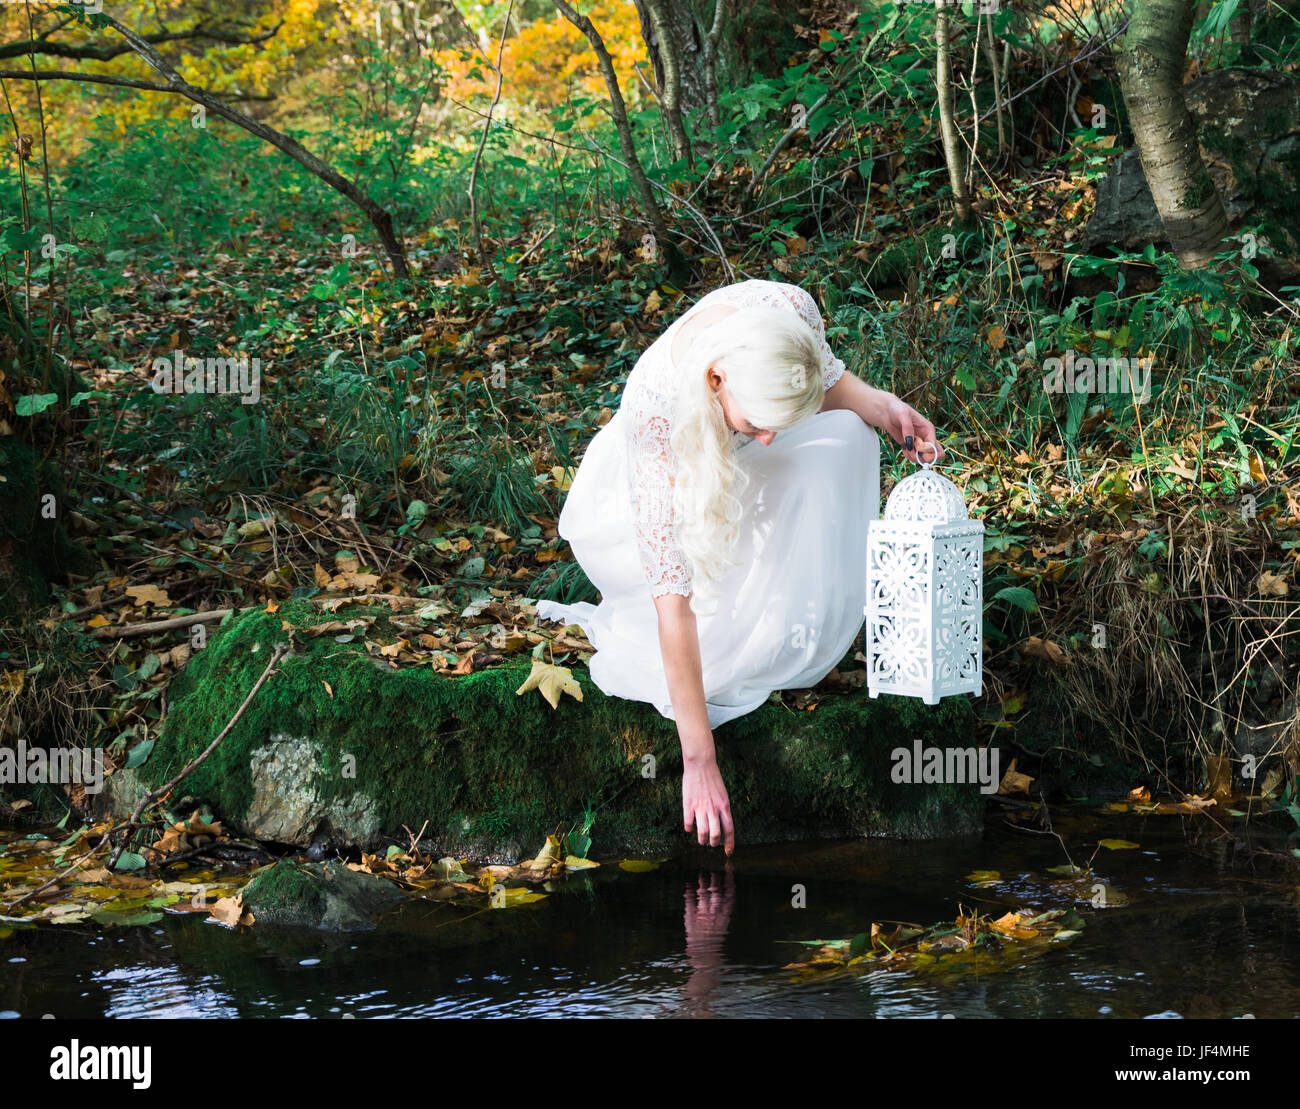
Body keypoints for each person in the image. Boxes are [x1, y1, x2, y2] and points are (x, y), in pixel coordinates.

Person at [537, 278, 944, 856]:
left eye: (777, 422)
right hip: (643, 504)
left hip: (733, 457)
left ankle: (781, 614)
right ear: (716, 380)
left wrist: (889, 410)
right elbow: (671, 600)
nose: (772, 437)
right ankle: (737, 619)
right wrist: (698, 759)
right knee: (703, 599)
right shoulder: (658, 409)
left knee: (851, 436)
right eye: (757, 423)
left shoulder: (789, 311)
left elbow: (828, 387)